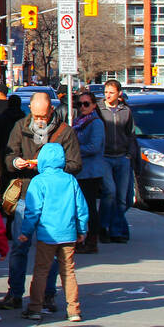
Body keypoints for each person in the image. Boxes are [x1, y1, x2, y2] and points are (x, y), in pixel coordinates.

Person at [0, 91, 81, 311]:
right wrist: (17, 162)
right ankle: (15, 293)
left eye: (43, 116)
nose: (39, 121)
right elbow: (7, 157)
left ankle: (48, 294)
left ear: (51, 111)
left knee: (51, 250)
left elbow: (75, 164)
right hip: (26, 193)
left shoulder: (65, 132)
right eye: (36, 116)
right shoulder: (20, 126)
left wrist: (50, 166)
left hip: (54, 199)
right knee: (20, 245)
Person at [16, 142, 88, 322]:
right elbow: (81, 207)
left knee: (41, 271)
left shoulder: (38, 181)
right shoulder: (70, 180)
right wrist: (82, 229)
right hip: (68, 233)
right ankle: (74, 310)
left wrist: (26, 231)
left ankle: (34, 309)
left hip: (47, 235)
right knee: (68, 272)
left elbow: (33, 211)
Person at [96, 79, 136, 243]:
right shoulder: (99, 109)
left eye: (111, 92)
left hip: (122, 156)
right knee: (109, 192)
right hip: (105, 156)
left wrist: (129, 154)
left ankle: (117, 229)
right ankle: (103, 225)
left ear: (119, 93)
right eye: (106, 92)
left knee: (121, 197)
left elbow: (131, 134)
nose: (108, 95)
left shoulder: (125, 111)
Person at [72, 91, 107, 255]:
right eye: (80, 104)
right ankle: (80, 238)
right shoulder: (78, 121)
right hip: (79, 170)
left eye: (86, 104)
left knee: (90, 207)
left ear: (93, 105)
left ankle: (92, 240)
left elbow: (95, 147)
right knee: (79, 208)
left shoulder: (96, 123)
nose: (83, 107)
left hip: (91, 171)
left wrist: (75, 151)